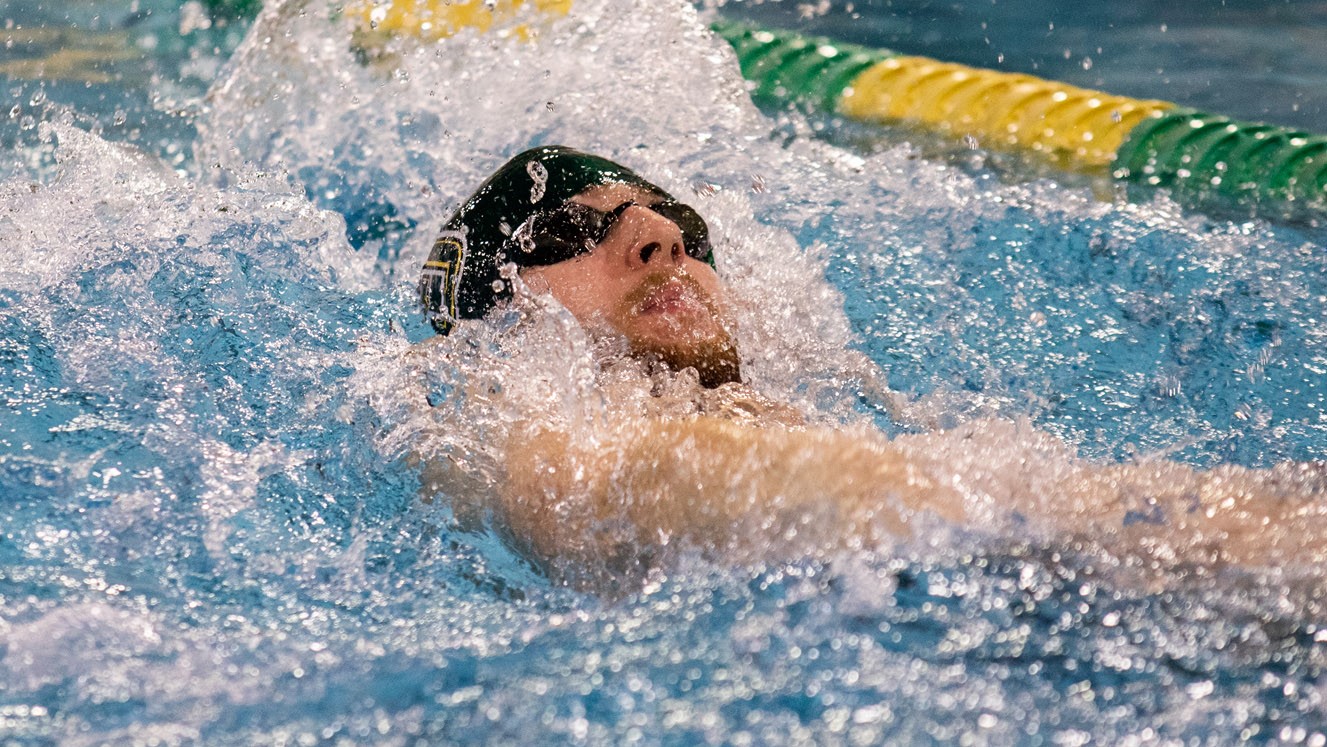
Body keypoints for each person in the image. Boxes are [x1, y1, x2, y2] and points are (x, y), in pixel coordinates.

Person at [412, 145, 1327, 591]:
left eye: (670, 215)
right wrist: (1034, 519)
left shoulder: (782, 411)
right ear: (500, 314)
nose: (658, 237)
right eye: (573, 229)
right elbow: (592, 486)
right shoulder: (525, 437)